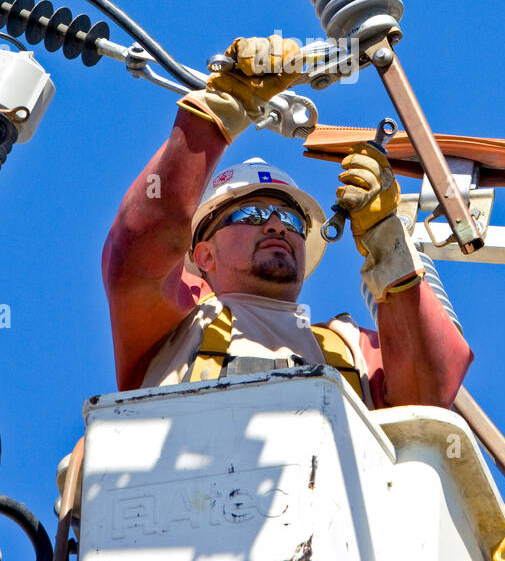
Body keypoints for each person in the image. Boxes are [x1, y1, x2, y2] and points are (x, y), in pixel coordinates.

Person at [103, 35, 472, 409]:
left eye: (292, 221)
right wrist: (220, 108)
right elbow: (141, 242)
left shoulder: (349, 349)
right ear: (203, 254)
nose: (277, 225)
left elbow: (430, 389)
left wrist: (385, 235)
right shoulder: (177, 322)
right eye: (252, 214)